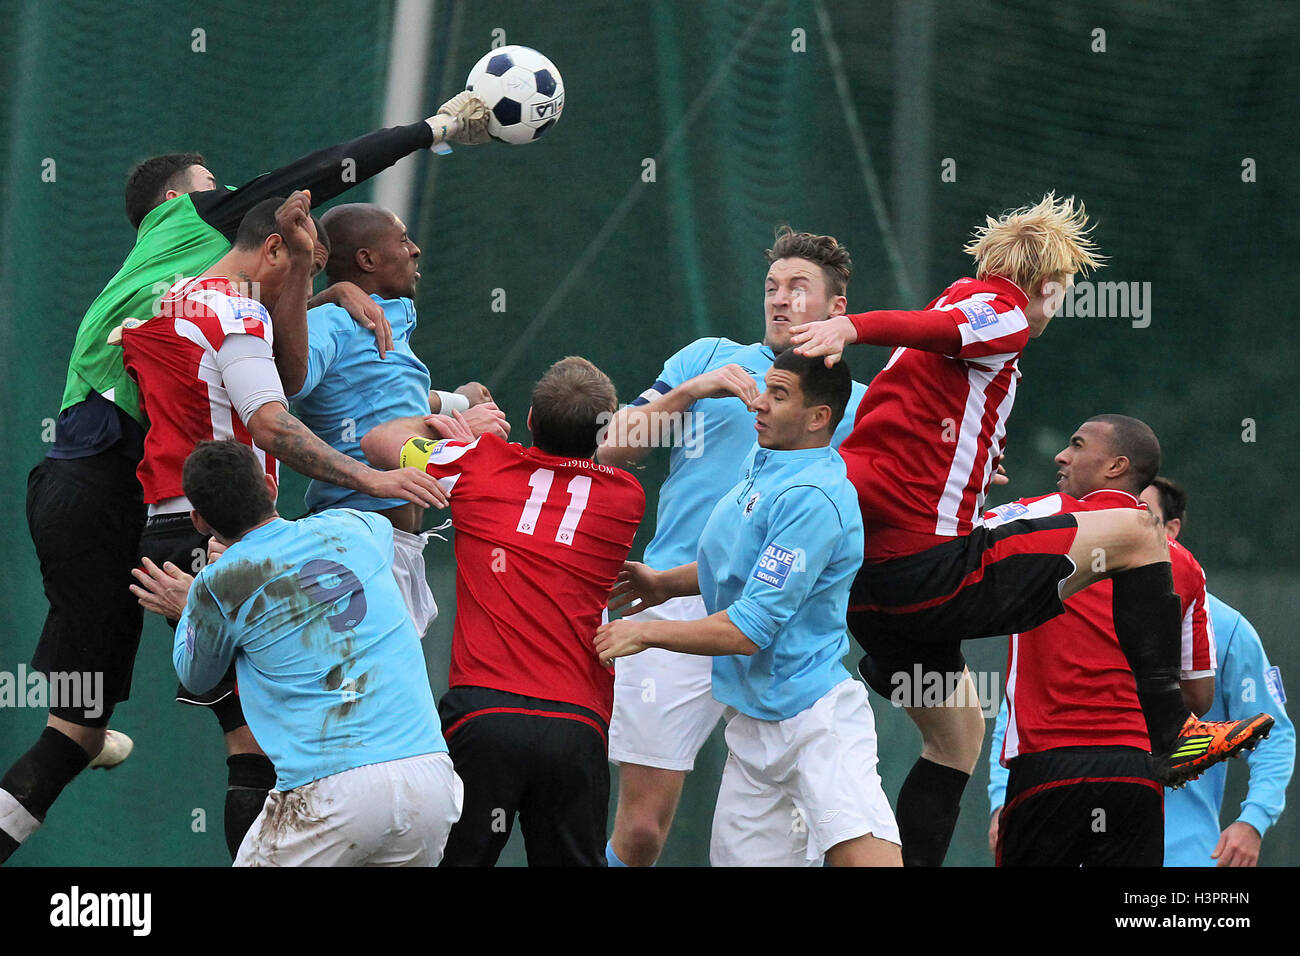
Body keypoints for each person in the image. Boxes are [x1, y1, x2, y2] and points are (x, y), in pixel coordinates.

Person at [2, 93, 489, 865]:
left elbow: (276, 367)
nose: (220, 195)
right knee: (252, 744)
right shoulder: (198, 243)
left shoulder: (163, 296)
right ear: (178, 201)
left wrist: (313, 284)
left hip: (84, 499)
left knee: (72, 733)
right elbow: (272, 415)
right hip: (176, 524)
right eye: (209, 186)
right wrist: (431, 130)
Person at [790, 193, 1272, 865]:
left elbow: (902, 430)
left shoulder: (951, 312)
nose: (1052, 310)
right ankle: (1174, 737)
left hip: (871, 597)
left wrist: (954, 478)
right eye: (1060, 294)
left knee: (954, 739)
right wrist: (854, 329)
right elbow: (950, 330)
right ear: (1046, 283)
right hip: (930, 579)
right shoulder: (1003, 310)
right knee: (1134, 531)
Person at [121, 192, 451, 858]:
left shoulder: (167, 305)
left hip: (265, 533)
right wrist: (384, 467)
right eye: (296, 256)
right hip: (243, 535)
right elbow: (289, 403)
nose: (415, 250)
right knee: (264, 741)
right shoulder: (238, 316)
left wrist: (453, 405)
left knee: (299, 724)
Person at [596, 227, 870, 868]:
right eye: (772, 287)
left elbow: (911, 488)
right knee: (640, 832)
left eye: (799, 289)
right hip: (672, 601)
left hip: (782, 627)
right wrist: (691, 392)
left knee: (807, 835)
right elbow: (613, 448)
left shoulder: (853, 403)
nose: (780, 300)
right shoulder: (707, 358)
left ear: (837, 310)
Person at [362, 356, 646, 866]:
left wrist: (456, 414)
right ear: (603, 434)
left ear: (531, 420)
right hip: (575, 724)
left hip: (484, 716)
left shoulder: (478, 463)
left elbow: (377, 440)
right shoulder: (626, 496)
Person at [129, 439, 462, 866]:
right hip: (429, 781)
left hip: (332, 792)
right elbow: (313, 579)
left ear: (198, 519)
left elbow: (197, 676)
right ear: (270, 486)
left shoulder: (217, 586)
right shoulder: (357, 527)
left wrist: (195, 599)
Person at [989, 476, 1294, 866]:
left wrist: (1253, 820)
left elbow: (1272, 730)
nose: (1119, 525)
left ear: (1170, 530)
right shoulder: (1061, 604)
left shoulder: (1224, 626)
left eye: (1138, 514)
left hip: (1187, 853)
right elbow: (1014, 714)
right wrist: (1001, 802)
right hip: (1068, 829)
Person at [979, 416, 1220, 866]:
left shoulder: (1038, 514)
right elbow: (1199, 695)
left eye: (1076, 444)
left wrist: (969, 487)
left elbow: (955, 544)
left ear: (1116, 465)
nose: (1061, 455)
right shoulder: (1185, 562)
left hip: (1046, 764)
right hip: (1136, 772)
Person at [291, 202, 509, 636]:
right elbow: (287, 377)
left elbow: (382, 402)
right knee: (360, 694)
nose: (416, 249)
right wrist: (320, 297)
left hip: (398, 546)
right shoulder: (334, 320)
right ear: (366, 260)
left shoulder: (381, 323)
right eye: (403, 240)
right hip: (357, 544)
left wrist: (457, 404)